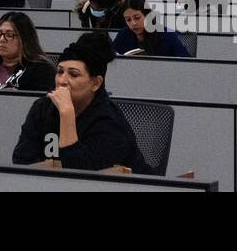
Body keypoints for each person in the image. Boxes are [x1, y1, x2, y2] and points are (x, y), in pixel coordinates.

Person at [11, 32, 148, 172]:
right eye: (59, 72)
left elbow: (80, 178)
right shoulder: (42, 108)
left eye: (74, 74)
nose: (62, 81)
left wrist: (67, 115)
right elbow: (21, 160)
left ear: (96, 83)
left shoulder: (111, 123)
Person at [112, 0, 190, 57]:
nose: (133, 23)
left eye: (137, 18)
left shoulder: (167, 36)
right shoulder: (123, 35)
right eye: (128, 20)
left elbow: (186, 63)